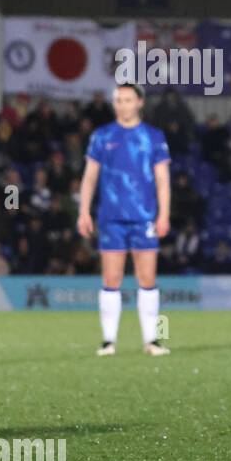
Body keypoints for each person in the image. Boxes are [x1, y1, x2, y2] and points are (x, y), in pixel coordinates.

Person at [76, 83, 172, 356]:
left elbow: (163, 180)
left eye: (128, 99)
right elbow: (90, 177)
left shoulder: (153, 137)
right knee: (111, 278)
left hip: (144, 217)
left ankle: (152, 341)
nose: (122, 104)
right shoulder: (102, 135)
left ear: (139, 102)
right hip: (111, 217)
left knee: (147, 278)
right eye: (118, 99)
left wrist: (163, 214)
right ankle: (108, 342)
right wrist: (84, 211)